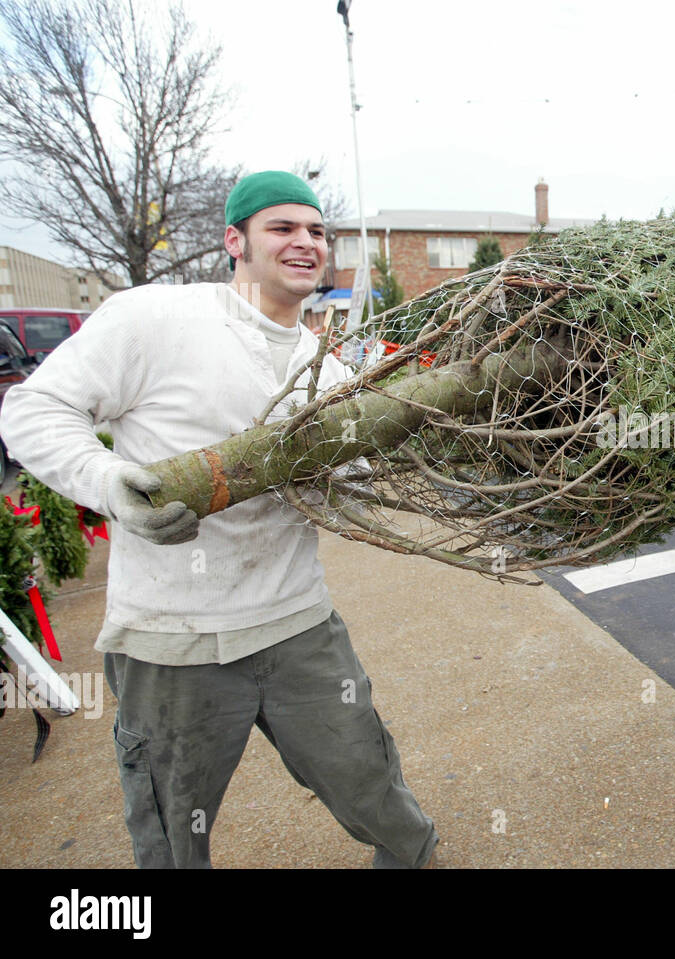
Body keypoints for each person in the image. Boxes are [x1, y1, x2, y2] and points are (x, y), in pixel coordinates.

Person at [0, 171, 438, 868]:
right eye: (283, 227)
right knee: (173, 828)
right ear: (235, 240)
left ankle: (411, 857)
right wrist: (112, 485)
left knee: (369, 777)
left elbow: (335, 494)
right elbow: (30, 409)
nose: (306, 242)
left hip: (297, 623)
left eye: (318, 231)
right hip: (173, 640)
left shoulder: (319, 368)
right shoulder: (155, 318)